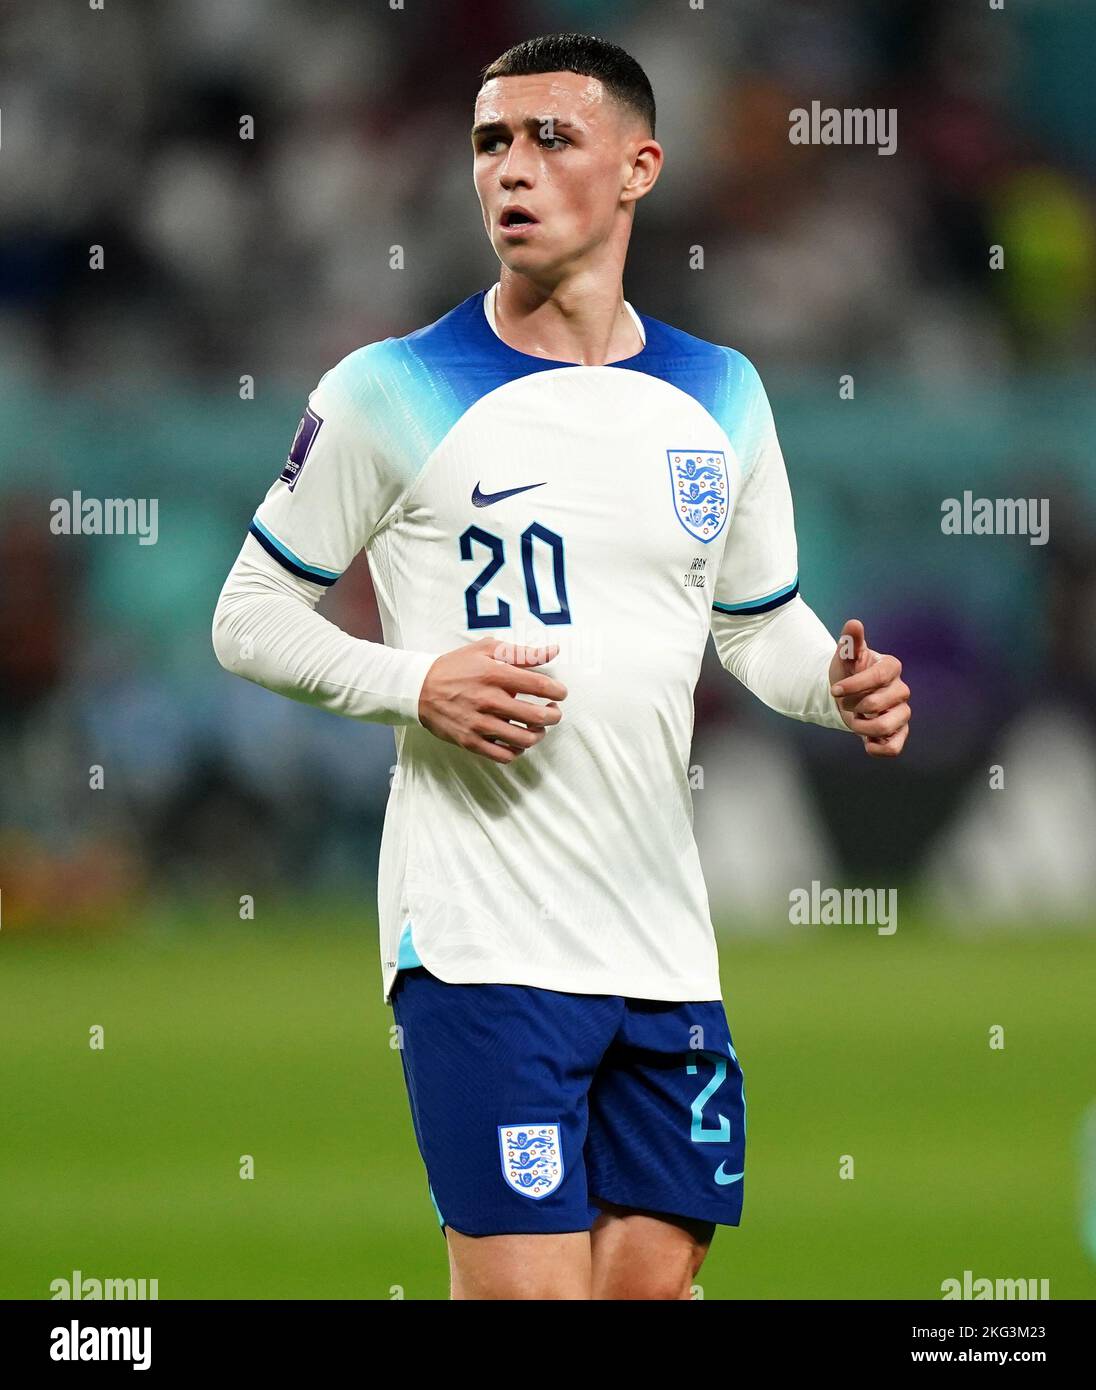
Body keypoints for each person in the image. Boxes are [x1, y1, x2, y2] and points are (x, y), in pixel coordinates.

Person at [212, 32, 912, 1300]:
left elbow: (758, 622)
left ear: (639, 167)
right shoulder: (391, 388)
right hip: (483, 943)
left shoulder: (722, 394)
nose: (510, 171)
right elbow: (249, 613)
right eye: (490, 143)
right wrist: (413, 681)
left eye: (550, 138)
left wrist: (836, 684)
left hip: (662, 947)